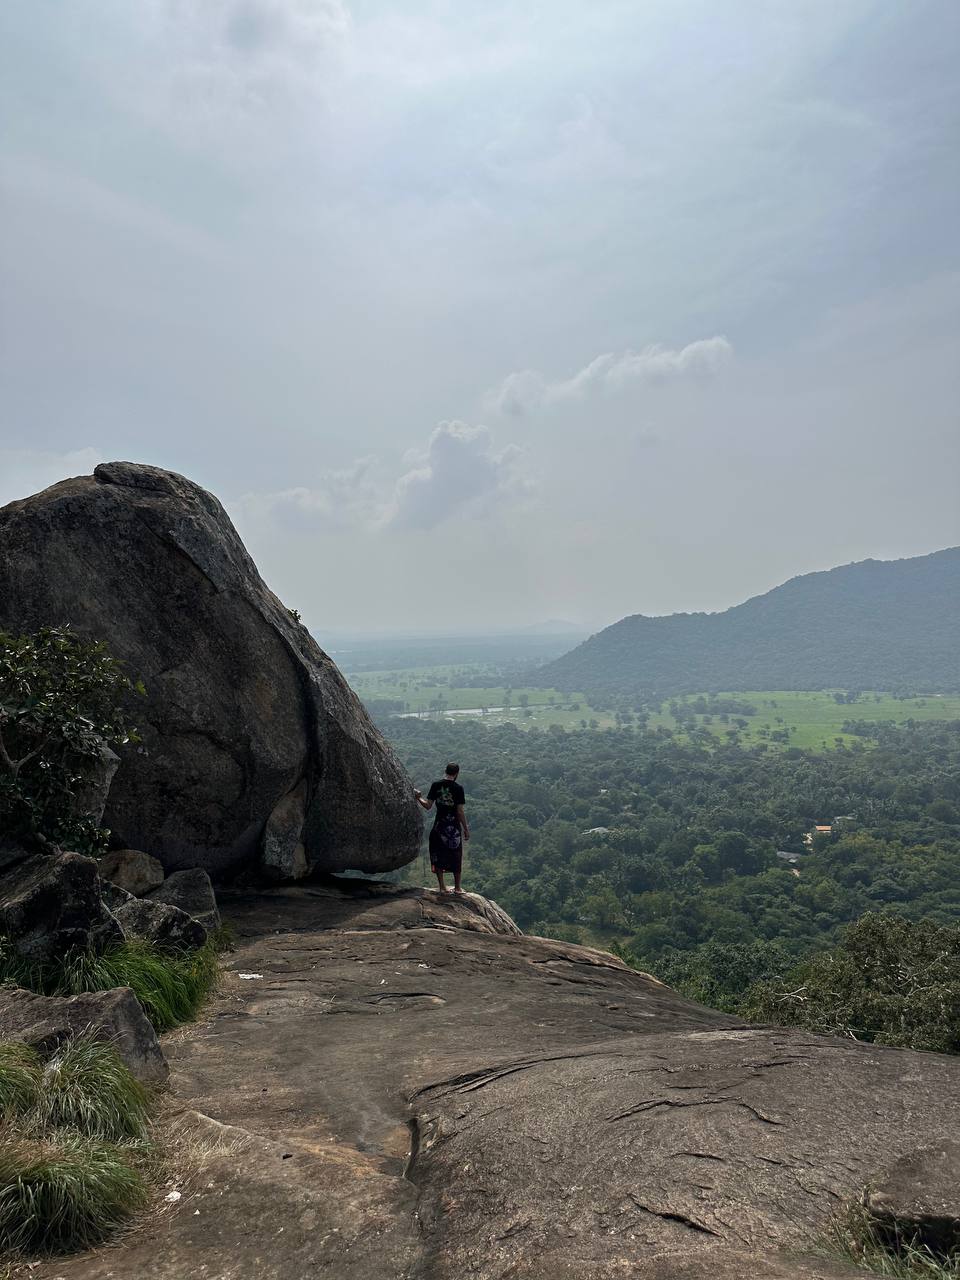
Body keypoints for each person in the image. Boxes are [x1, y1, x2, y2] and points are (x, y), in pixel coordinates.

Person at [414, 763, 470, 894]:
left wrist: (418, 798)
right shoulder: (458, 788)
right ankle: (457, 888)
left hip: (439, 825)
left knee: (438, 854)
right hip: (453, 827)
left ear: (445, 771)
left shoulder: (436, 785)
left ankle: (442, 887)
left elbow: (428, 806)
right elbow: (460, 812)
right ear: (456, 774)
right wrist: (466, 829)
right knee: (456, 854)